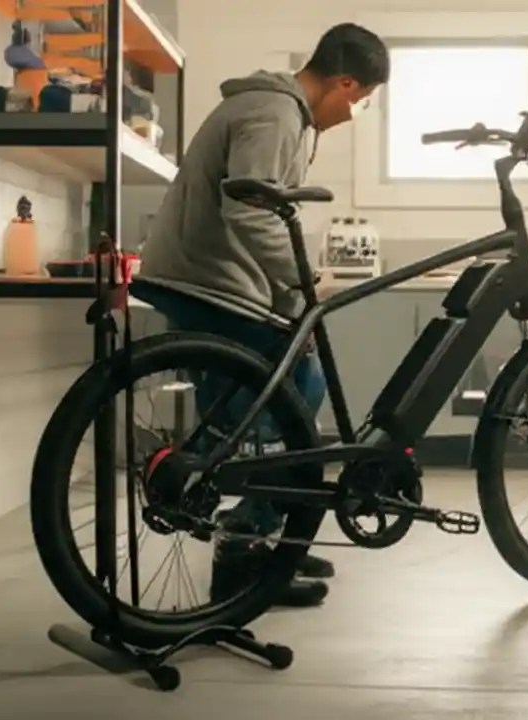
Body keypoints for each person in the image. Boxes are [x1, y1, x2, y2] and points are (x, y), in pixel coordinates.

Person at [134, 23, 390, 608]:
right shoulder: (275, 115)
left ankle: (270, 533)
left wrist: (294, 294)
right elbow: (250, 215)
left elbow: (258, 212)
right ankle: (245, 544)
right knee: (299, 389)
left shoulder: (281, 113)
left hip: (207, 274)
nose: (356, 111)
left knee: (277, 392)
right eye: (361, 99)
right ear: (344, 82)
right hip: (206, 278)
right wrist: (304, 281)